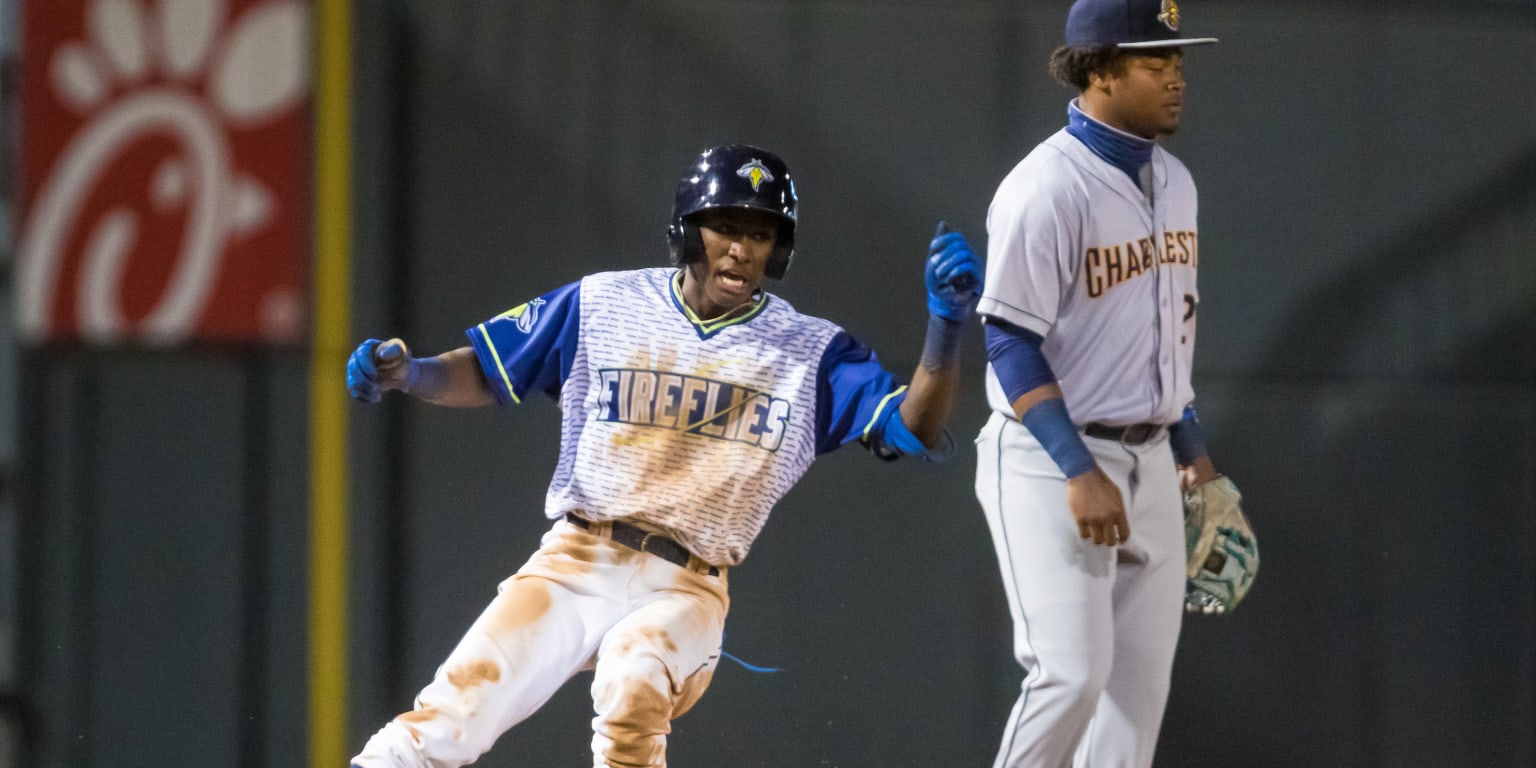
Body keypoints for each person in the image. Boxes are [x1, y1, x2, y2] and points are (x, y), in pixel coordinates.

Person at [345, 143, 983, 768]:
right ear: (688, 230)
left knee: (634, 678)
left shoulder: (812, 351)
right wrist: (414, 375)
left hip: (688, 584)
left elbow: (913, 426)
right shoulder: (603, 302)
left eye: (760, 233)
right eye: (724, 226)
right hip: (576, 558)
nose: (741, 247)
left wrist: (946, 328)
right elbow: (490, 370)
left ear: (778, 248)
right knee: (446, 718)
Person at [971, 0, 1224, 766]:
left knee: (1133, 709)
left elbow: (1164, 334)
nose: (1176, 78)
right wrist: (1077, 470)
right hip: (1052, 458)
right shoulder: (1044, 189)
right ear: (1101, 69)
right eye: (1156, 62)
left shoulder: (1176, 182)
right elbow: (1008, 338)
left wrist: (1193, 449)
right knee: (1069, 677)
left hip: (1150, 459)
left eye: (1178, 61)